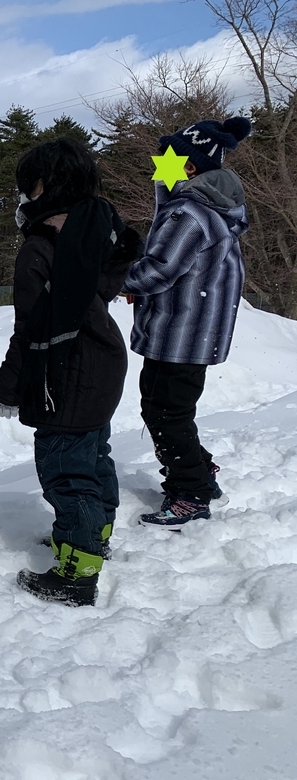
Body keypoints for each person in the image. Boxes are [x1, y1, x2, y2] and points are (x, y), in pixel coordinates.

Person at [0, 139, 141, 607]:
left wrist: (7, 387)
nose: (22, 199)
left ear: (44, 187)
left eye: (26, 189)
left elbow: (32, 328)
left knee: (64, 470)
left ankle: (76, 574)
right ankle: (93, 537)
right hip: (102, 363)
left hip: (66, 375)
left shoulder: (41, 248)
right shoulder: (96, 233)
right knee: (94, 456)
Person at [122, 117, 251, 526]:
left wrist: (116, 281)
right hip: (191, 332)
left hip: (181, 333)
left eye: (168, 158)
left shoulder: (190, 214)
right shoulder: (206, 209)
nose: (159, 162)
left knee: (165, 412)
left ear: (189, 167)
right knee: (170, 409)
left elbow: (161, 268)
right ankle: (199, 473)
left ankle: (191, 493)